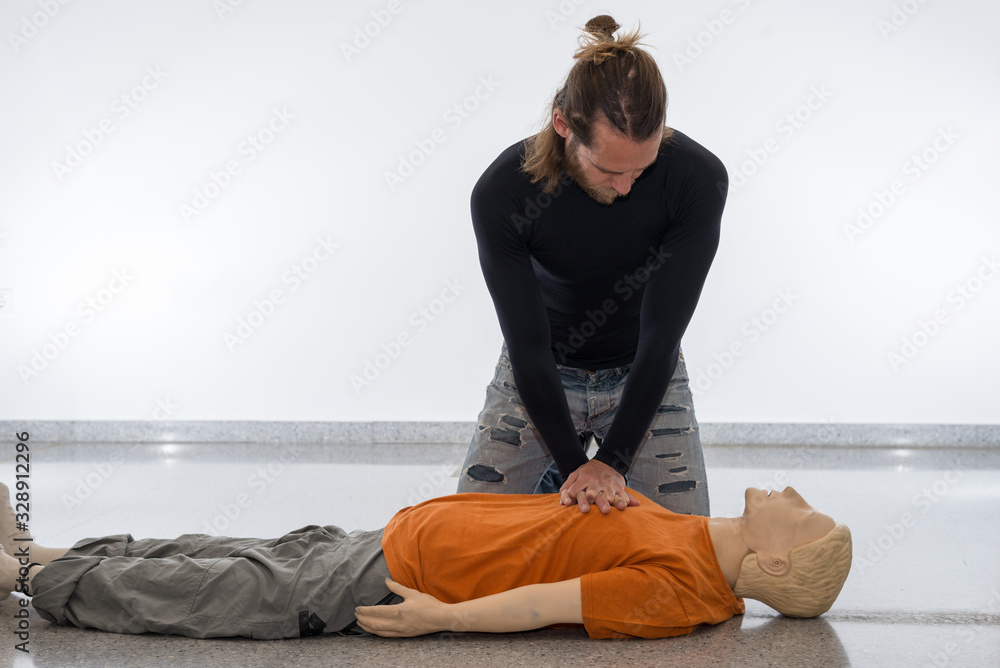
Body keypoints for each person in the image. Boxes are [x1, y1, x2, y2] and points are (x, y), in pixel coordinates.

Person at [459, 15, 728, 517]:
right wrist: (580, 471)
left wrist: (615, 459)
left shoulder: (698, 178)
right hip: (539, 371)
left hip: (645, 371)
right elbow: (527, 346)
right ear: (564, 125)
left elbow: (662, 335)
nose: (627, 185)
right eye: (609, 169)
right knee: (463, 544)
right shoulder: (502, 192)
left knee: (690, 563)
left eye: (642, 168)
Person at [0, 482, 851, 640]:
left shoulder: (683, 591)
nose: (792, 491)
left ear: (775, 567)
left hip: (393, 581)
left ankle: (26, 579)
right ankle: (37, 547)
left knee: (216, 592)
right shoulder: (695, 534)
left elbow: (546, 602)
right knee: (217, 551)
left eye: (804, 515)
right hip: (390, 537)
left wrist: (441, 617)